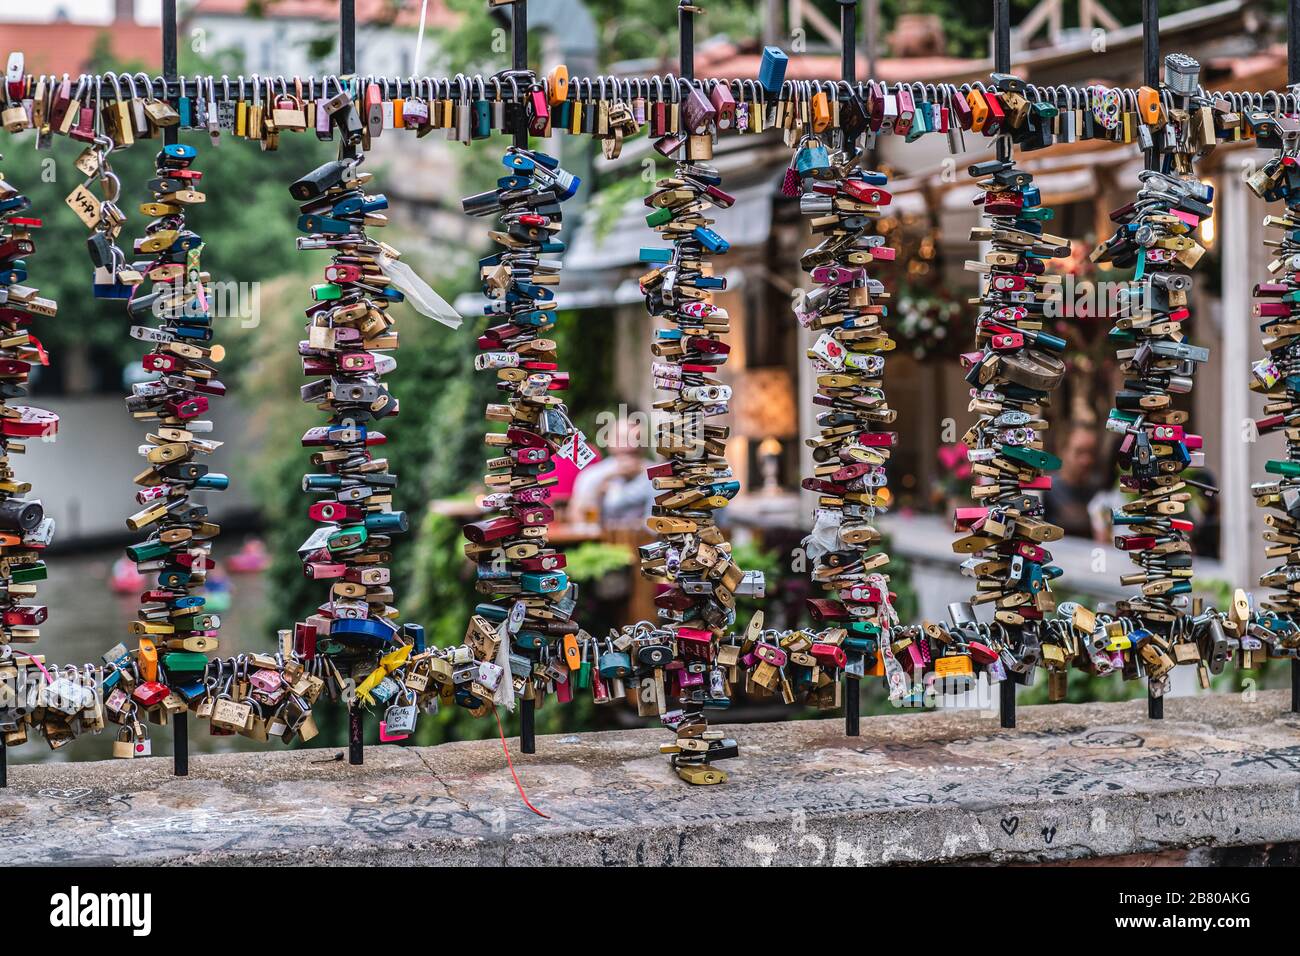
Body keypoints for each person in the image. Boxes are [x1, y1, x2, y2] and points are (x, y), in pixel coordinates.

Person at [567, 416, 655, 526]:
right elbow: (576, 518)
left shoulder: (658, 474)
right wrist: (598, 491)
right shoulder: (591, 475)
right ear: (608, 440)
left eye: (637, 438)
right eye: (622, 439)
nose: (631, 446)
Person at [1044, 423, 1103, 539]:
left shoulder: (1098, 491)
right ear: (1063, 451)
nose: (1086, 460)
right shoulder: (1046, 489)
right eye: (1079, 452)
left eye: (1091, 452)